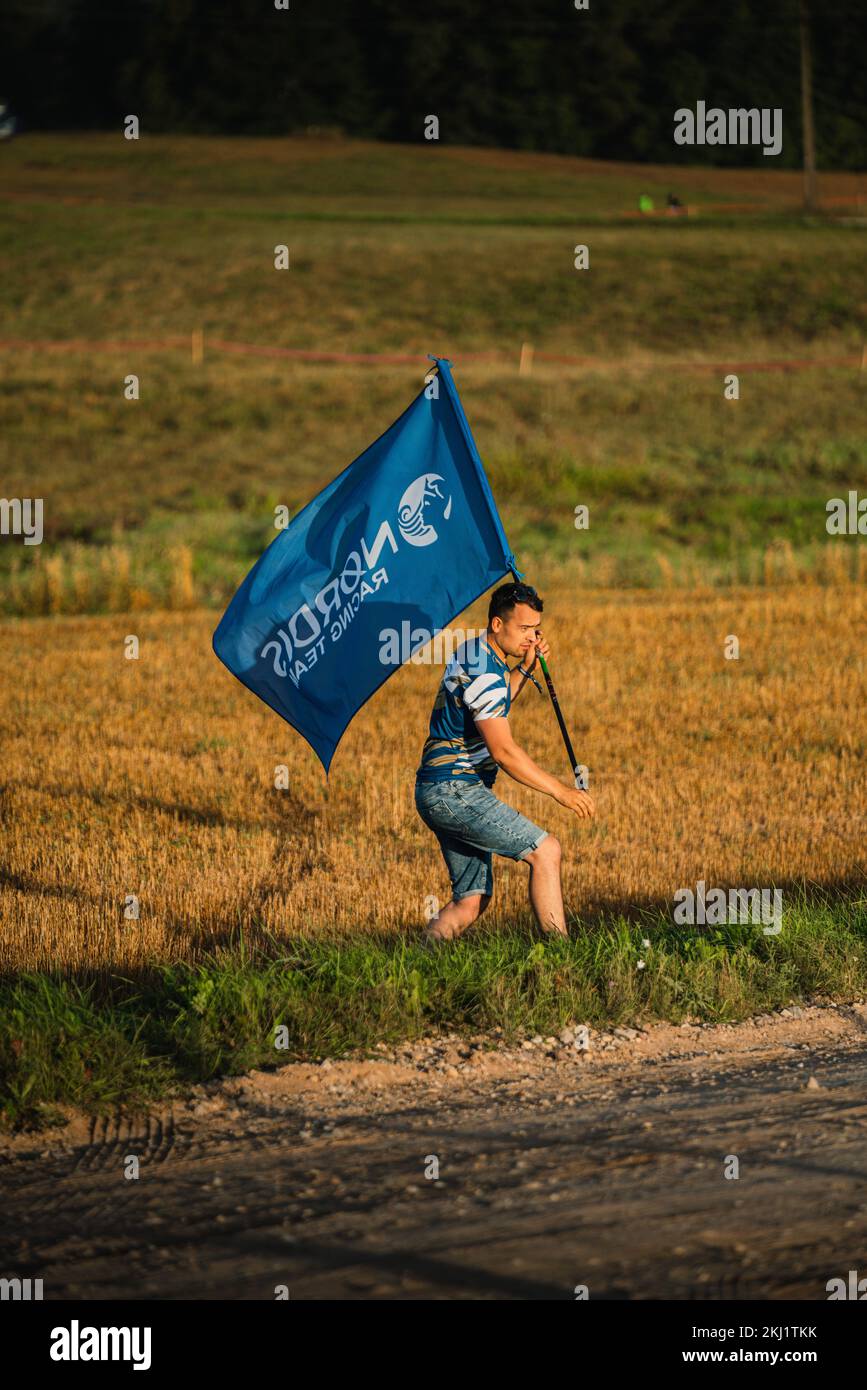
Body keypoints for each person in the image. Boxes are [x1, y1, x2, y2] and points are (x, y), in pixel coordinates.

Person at [414, 581, 595, 943]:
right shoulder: (485, 672)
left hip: (436, 787)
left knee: (470, 901)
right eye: (524, 629)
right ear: (498, 624)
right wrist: (561, 792)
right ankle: (562, 955)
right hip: (455, 788)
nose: (532, 638)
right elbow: (504, 752)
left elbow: (494, 703)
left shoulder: (477, 653)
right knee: (546, 851)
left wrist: (526, 668)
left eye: (535, 629)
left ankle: (415, 962)